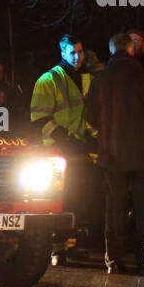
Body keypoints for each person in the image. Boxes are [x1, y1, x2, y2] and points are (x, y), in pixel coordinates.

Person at [85, 32, 144, 274]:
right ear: (132, 50)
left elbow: (91, 118)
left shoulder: (100, 81)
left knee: (114, 209)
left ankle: (114, 260)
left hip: (112, 155)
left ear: (112, 51)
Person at [30, 34, 102, 259]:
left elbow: (90, 114)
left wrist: (93, 139)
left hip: (79, 149)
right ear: (62, 52)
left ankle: (70, 246)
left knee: (78, 198)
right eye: (72, 52)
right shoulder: (48, 79)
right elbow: (39, 118)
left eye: (80, 52)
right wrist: (65, 138)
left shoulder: (86, 79)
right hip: (57, 149)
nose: (77, 57)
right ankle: (57, 248)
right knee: (60, 200)